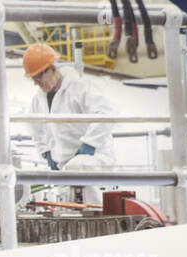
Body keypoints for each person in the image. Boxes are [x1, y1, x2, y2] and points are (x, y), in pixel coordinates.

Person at [24, 43, 118, 203]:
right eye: (34, 79)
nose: (37, 83)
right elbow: (34, 128)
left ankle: (98, 218)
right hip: (63, 167)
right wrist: (46, 152)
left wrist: (89, 144)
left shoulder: (80, 87)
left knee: (79, 173)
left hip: (94, 158)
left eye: (39, 76)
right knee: (66, 208)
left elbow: (107, 114)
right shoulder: (37, 100)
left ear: (52, 68)